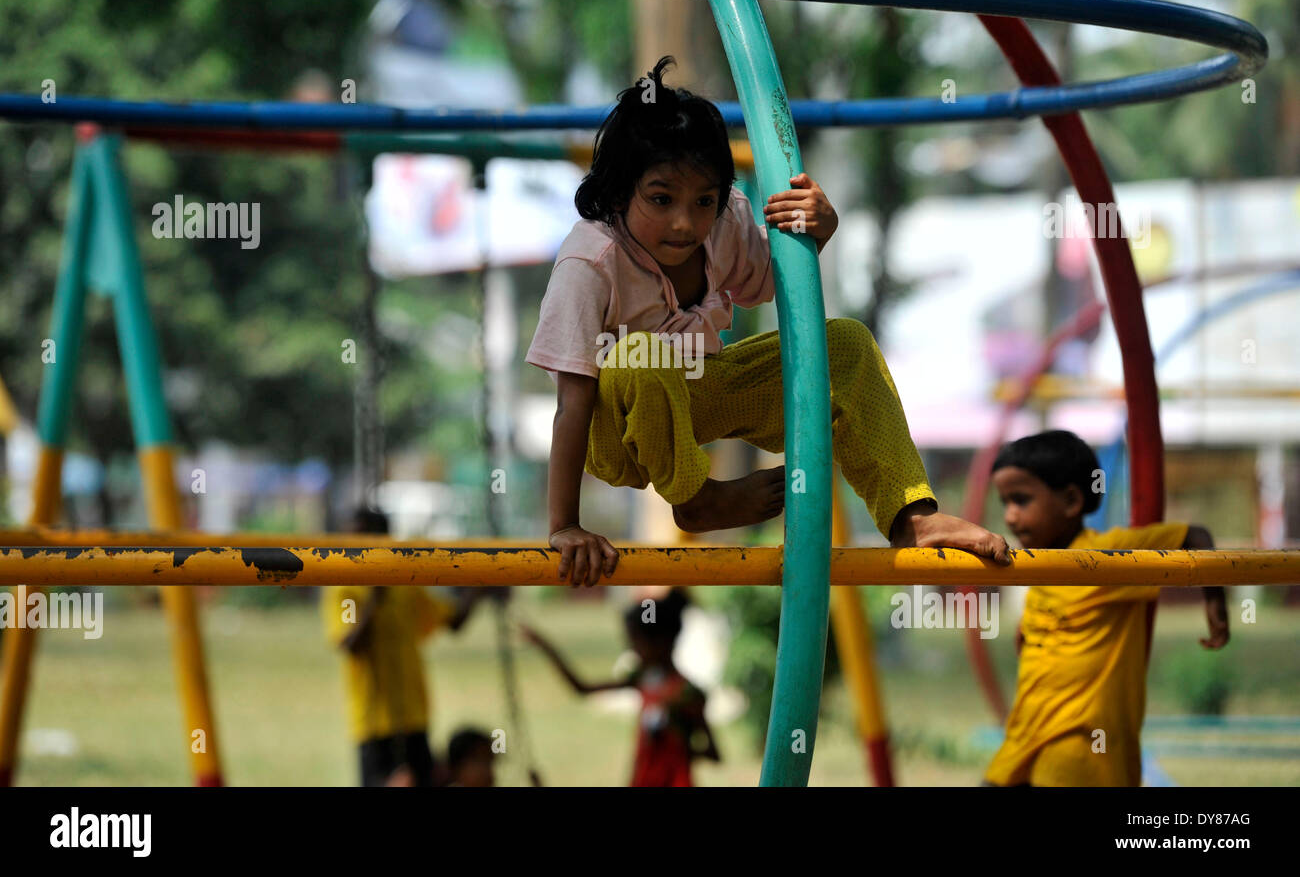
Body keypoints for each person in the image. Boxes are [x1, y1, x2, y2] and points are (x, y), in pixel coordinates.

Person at [525, 55, 1009, 586]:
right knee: (643, 359)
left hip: (698, 393)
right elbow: (572, 405)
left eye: (702, 200)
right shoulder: (589, 263)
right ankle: (698, 499)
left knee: (846, 343)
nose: (685, 222)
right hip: (615, 424)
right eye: (661, 199)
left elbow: (773, 281)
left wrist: (820, 229)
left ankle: (910, 517)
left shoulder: (724, 219)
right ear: (620, 192)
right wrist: (565, 526)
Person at [982, 430, 1230, 787]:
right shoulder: (1039, 563)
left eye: (1020, 500)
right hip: (1027, 730)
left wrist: (1214, 602)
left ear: (1070, 500)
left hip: (1079, 739)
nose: (1010, 516)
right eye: (1004, 502)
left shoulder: (1107, 555)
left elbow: (1196, 537)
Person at [321, 506, 490, 787]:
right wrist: (375, 599)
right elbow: (350, 645)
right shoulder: (346, 590)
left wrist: (483, 580)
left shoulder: (404, 585)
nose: (352, 547)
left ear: (384, 539)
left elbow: (453, 621)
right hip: (374, 722)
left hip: (414, 716)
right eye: (350, 539)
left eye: (362, 538)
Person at [522, 589, 718, 787]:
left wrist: (679, 739)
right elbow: (581, 688)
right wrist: (543, 645)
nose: (633, 650)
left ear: (661, 642)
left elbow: (714, 753)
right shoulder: (642, 679)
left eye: (637, 643)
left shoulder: (687, 694)